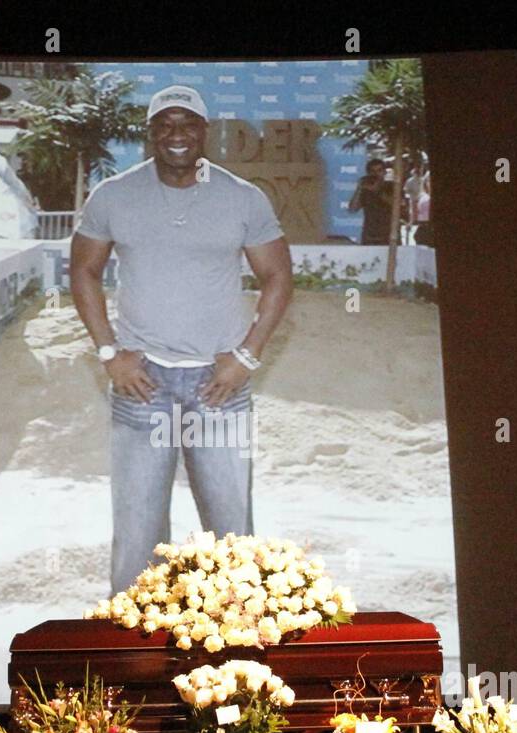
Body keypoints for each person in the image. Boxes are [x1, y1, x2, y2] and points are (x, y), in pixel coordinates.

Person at [69, 85, 294, 595]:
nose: (177, 134)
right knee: (137, 535)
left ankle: (234, 653)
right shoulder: (113, 195)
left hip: (221, 389)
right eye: (165, 124)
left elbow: (278, 277)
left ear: (204, 132)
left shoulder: (242, 197)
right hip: (141, 387)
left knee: (231, 531)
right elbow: (83, 271)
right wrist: (109, 353)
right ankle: (133, 654)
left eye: (187, 123)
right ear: (150, 133)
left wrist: (246, 358)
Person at [348, 157, 393, 245]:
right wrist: (359, 188)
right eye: (373, 171)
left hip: (389, 235)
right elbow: (352, 209)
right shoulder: (366, 190)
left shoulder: (392, 186)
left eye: (379, 170)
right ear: (368, 173)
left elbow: (396, 205)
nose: (376, 174)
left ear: (384, 172)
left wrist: (377, 191)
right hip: (369, 235)